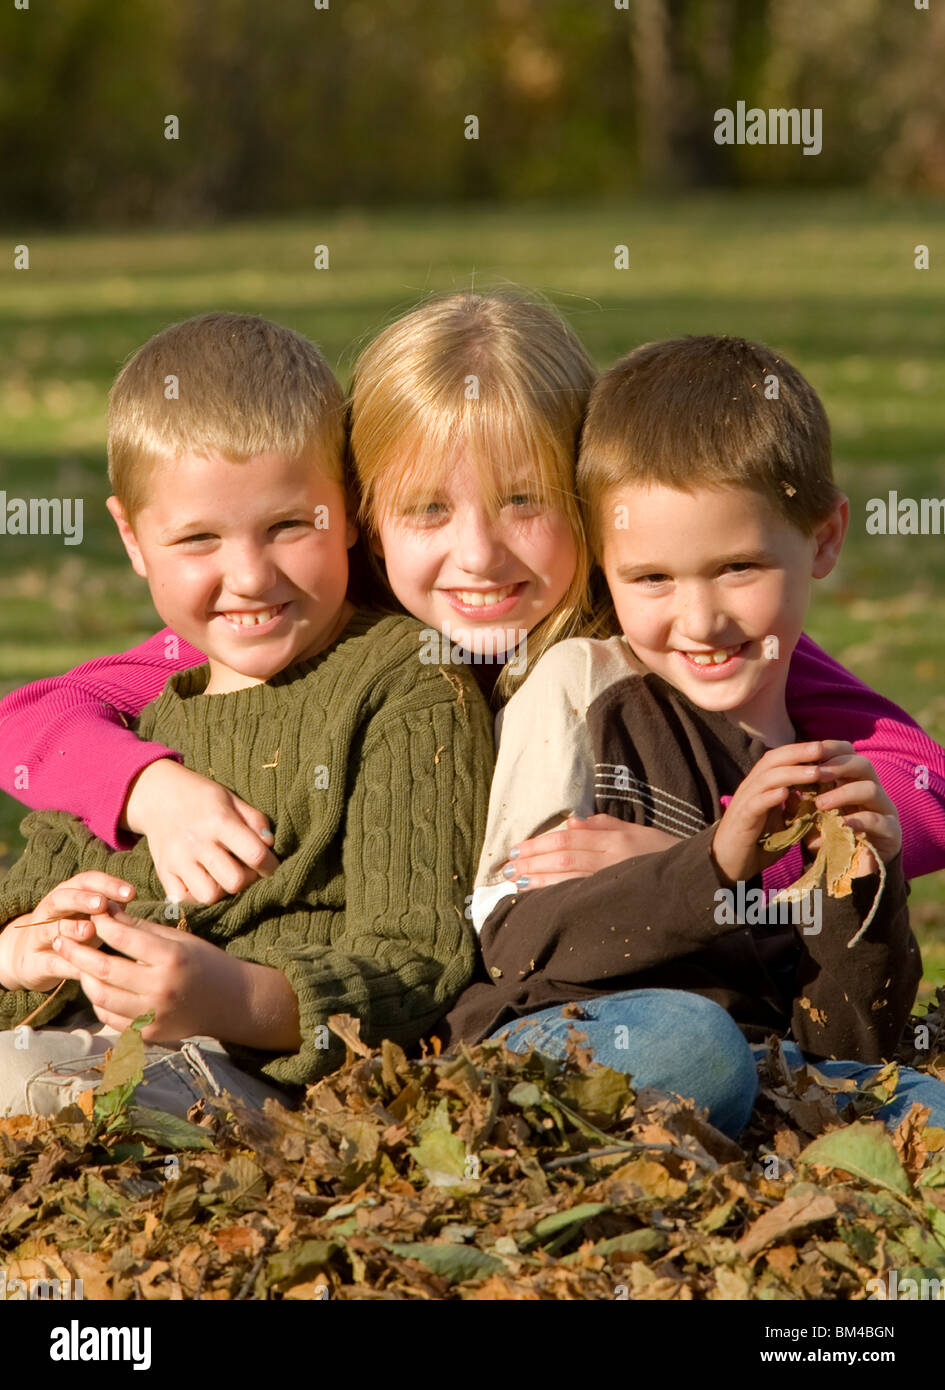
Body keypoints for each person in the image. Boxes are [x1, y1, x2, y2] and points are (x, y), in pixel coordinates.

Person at [3, 296, 945, 1127]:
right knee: (687, 1048)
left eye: (525, 502)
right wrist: (149, 785)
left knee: (721, 1052)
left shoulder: (661, 618)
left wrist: (718, 850)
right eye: (427, 513)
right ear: (367, 520)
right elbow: (36, 716)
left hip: (634, 986)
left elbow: (917, 779)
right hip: (470, 1020)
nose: (480, 556)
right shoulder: (337, 622)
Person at [441, 334, 945, 1138]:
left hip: (764, 1062)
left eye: (738, 568)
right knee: (696, 1044)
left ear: (822, 539)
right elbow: (513, 943)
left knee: (920, 1104)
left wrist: (860, 886)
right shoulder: (579, 689)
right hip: (572, 1040)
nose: (701, 619)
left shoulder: (816, 751)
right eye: (650, 579)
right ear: (602, 566)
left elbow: (845, 1040)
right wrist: (711, 862)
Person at [0, 312, 494, 1118]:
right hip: (83, 1052)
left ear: (350, 509)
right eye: (197, 539)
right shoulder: (139, 718)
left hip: (257, 1082)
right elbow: (28, 894)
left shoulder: (401, 683)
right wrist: (24, 952)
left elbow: (418, 967)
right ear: (132, 538)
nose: (251, 576)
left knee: (18, 1085)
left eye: (289, 526)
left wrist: (232, 999)